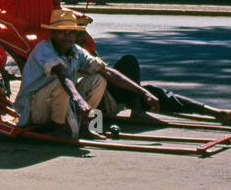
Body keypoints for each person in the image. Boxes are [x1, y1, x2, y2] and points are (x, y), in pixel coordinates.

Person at [15, 8, 152, 137]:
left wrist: (143, 92)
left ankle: (87, 125)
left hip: (61, 103)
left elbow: (106, 72)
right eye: (62, 32)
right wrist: (79, 101)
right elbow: (62, 75)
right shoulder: (43, 49)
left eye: (71, 32)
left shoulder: (76, 50)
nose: (67, 36)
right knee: (62, 82)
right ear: (53, 33)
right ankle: (58, 128)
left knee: (98, 78)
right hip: (36, 109)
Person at [103, 54, 231, 124]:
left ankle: (216, 113)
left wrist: (142, 91)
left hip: (110, 92)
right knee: (128, 62)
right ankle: (137, 110)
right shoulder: (81, 51)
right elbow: (105, 72)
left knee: (154, 93)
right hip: (100, 99)